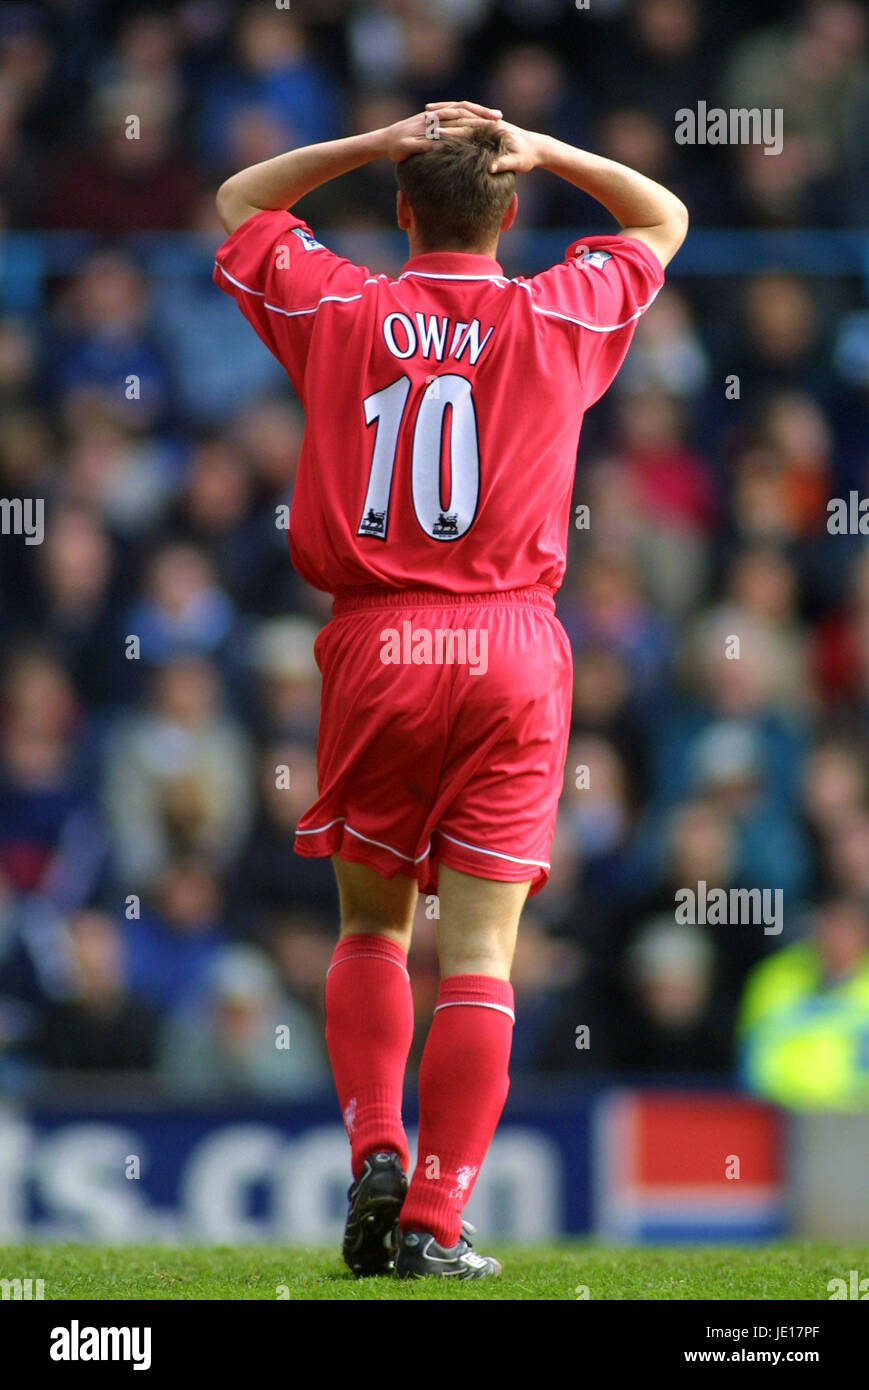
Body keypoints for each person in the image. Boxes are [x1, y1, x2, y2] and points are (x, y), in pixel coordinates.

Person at [214, 100, 687, 1279]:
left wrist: (371, 142)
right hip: (510, 645)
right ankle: (435, 1216)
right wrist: (549, 146)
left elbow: (238, 203)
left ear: (397, 210)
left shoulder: (340, 304)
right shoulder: (553, 310)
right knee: (477, 954)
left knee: (372, 926)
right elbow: (663, 215)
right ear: (510, 211)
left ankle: (375, 1146)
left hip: (377, 643)